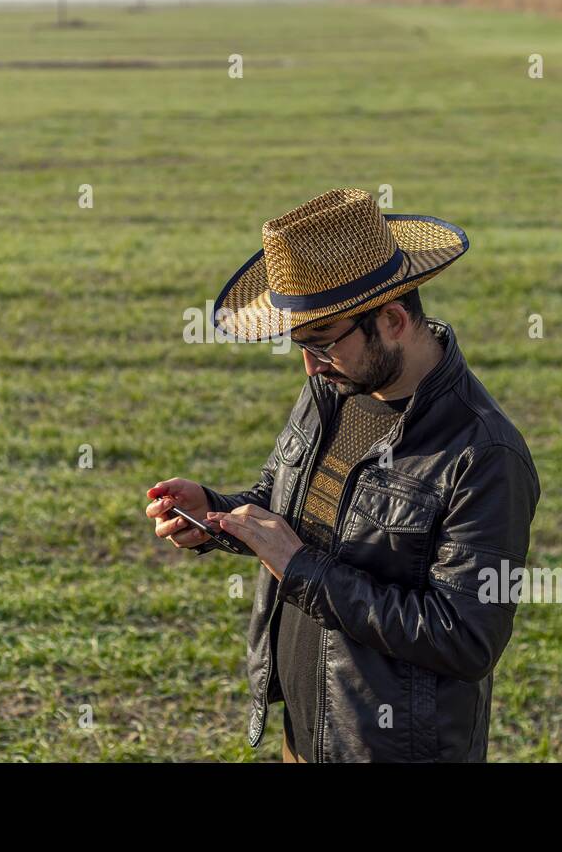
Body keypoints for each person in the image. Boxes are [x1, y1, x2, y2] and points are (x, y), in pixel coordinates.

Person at [146, 188, 540, 762]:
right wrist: (216, 513)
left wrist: (300, 568)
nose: (309, 365)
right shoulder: (333, 385)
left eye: (321, 342)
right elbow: (290, 505)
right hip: (305, 739)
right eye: (299, 345)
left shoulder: (483, 454)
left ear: (393, 319)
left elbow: (464, 638)